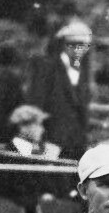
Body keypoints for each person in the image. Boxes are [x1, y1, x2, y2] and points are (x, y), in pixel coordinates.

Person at [24, 19, 93, 159]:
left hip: (77, 142)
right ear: (64, 45)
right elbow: (37, 101)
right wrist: (38, 134)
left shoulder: (83, 71)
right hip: (51, 138)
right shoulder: (47, 66)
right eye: (73, 45)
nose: (78, 49)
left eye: (83, 45)